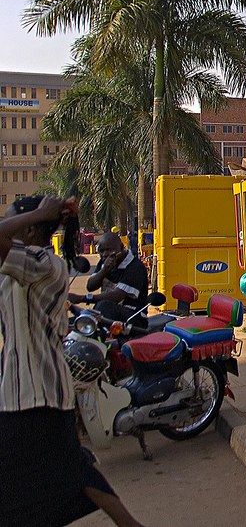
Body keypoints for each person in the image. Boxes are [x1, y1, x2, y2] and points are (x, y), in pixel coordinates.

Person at [0, 195, 144, 526]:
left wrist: (38, 213)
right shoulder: (17, 261)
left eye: (16, 222)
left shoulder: (42, 262)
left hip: (37, 391)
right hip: (23, 390)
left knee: (57, 469)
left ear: (32, 230)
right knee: (69, 467)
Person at [82, 232, 149, 322]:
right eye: (101, 251)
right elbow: (90, 286)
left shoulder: (135, 267)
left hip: (134, 317)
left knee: (103, 306)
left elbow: (117, 296)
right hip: (109, 314)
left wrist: (82, 298)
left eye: (109, 250)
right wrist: (104, 270)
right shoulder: (104, 263)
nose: (105, 254)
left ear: (121, 247)